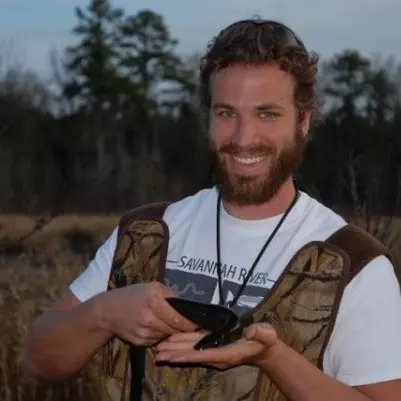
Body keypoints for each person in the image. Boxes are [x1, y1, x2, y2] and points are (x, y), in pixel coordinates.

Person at [22, 17, 401, 401]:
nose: (243, 138)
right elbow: (37, 361)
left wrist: (273, 358)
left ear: (303, 121)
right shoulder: (146, 232)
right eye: (226, 113)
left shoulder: (356, 264)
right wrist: (103, 314)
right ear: (207, 117)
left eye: (266, 114)